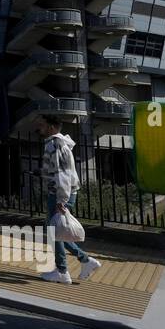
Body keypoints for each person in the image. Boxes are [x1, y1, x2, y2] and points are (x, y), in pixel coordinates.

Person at [36, 115, 102, 285]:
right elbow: (58, 170)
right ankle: (85, 261)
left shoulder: (54, 144)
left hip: (59, 194)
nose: (39, 128)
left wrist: (61, 200)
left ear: (51, 127)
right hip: (61, 192)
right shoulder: (59, 143)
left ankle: (63, 271)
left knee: (54, 232)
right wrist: (42, 172)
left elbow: (62, 173)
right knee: (56, 231)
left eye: (41, 125)